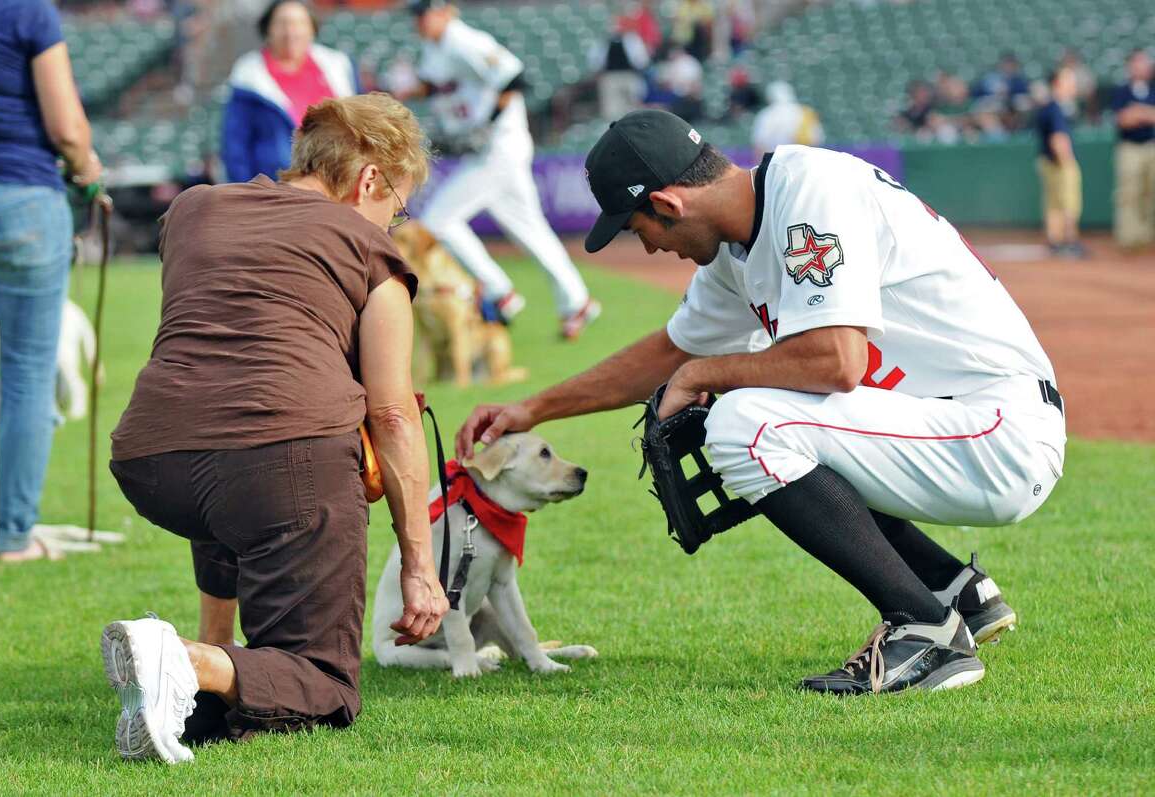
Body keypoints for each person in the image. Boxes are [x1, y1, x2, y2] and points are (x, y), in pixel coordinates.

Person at [458, 110, 1065, 695]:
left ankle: (924, 628)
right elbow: (670, 352)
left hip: (997, 430)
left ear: (668, 204)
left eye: (639, 230)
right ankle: (953, 589)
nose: (647, 249)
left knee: (744, 423)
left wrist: (708, 374)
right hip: (947, 422)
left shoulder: (812, 191)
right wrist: (532, 410)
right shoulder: (737, 247)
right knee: (770, 414)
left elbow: (837, 362)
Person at [102, 95, 449, 763]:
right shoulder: (368, 249)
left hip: (154, 459)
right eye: (397, 207)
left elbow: (223, 375)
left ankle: (202, 674)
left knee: (234, 466)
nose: (392, 223)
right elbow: (392, 413)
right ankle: (185, 659)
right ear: (369, 180)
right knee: (325, 684)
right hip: (283, 459)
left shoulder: (194, 211)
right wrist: (420, 569)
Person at [0, 0, 102, 562]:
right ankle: (14, 537)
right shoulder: (28, 10)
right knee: (26, 378)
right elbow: (66, 128)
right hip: (20, 200)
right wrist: (87, 171)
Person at [403, 0, 599, 339]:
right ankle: (576, 301)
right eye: (417, 15)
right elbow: (437, 84)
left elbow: (514, 78)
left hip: (498, 147)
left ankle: (498, 292)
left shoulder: (464, 40)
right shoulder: (435, 48)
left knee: (438, 220)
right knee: (530, 228)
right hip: (489, 149)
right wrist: (404, 90)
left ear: (445, 11)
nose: (420, 20)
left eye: (425, 13)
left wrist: (489, 122)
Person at [220, 0, 357, 183]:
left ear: (312, 28)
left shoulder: (338, 66)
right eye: (282, 23)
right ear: (268, 29)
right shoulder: (249, 76)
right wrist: (247, 192)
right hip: (279, 185)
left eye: (300, 23)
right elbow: (236, 146)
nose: (291, 32)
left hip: (338, 179)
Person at [1035, 67, 1085, 259]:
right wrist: (1067, 163)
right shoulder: (1056, 107)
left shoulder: (1050, 106)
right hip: (1059, 162)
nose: (1073, 85)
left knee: (1053, 204)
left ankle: (1055, 241)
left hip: (1047, 162)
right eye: (1068, 81)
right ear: (1057, 83)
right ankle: (1070, 241)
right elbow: (1058, 139)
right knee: (1069, 202)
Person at [1112, 48, 1155, 251]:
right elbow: (1123, 120)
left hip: (1151, 147)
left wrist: (1138, 112)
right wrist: (1145, 113)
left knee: (1149, 193)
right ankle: (1129, 237)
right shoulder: (1122, 91)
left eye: (1144, 62)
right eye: (1137, 62)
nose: (1141, 66)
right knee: (1129, 194)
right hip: (1129, 148)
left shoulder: (1152, 89)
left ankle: (1146, 236)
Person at [750, 81, 823, 158]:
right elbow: (816, 139)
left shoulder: (765, 115)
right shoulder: (805, 112)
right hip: (800, 159)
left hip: (774, 159)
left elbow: (759, 144)